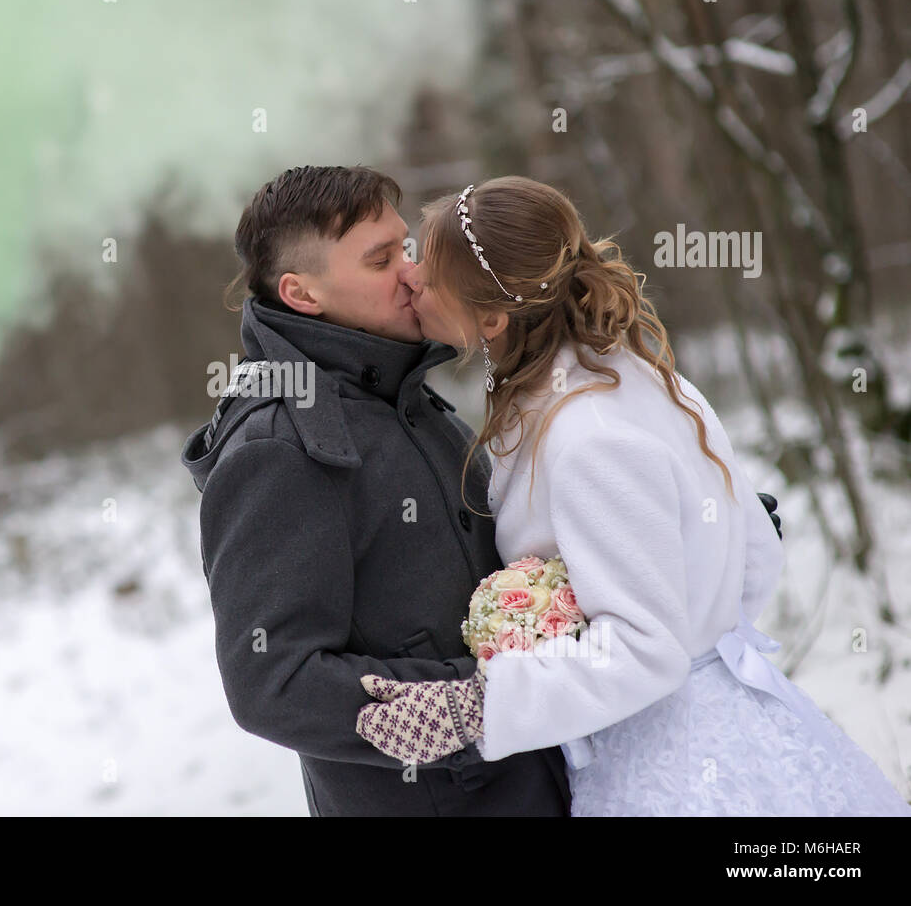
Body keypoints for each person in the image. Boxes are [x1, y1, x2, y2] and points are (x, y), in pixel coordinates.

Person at [181, 165, 783, 815]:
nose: (411, 271)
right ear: (302, 293)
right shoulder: (279, 445)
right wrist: (460, 705)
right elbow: (273, 679)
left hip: (540, 778)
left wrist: (687, 533)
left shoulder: (404, 394)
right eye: (382, 259)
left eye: (405, 246)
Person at [355, 176, 909, 816]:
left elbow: (647, 650)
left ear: (491, 317)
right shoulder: (630, 373)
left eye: (428, 267)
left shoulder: (586, 434)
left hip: (674, 764)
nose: (411, 278)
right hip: (737, 718)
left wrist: (479, 708)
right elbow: (755, 555)